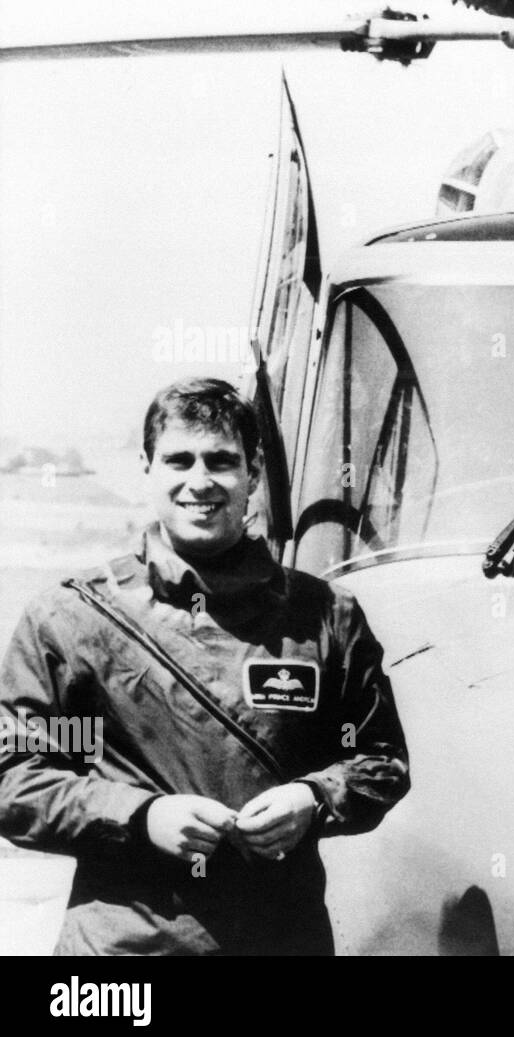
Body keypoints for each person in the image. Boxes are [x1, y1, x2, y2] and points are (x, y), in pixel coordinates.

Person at [0, 378, 410, 955]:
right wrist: (141, 816)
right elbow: (15, 778)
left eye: (221, 461)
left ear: (254, 472)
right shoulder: (73, 619)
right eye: (179, 460)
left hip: (280, 941)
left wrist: (314, 797)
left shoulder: (323, 616)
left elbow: (381, 760)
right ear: (148, 468)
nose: (200, 481)